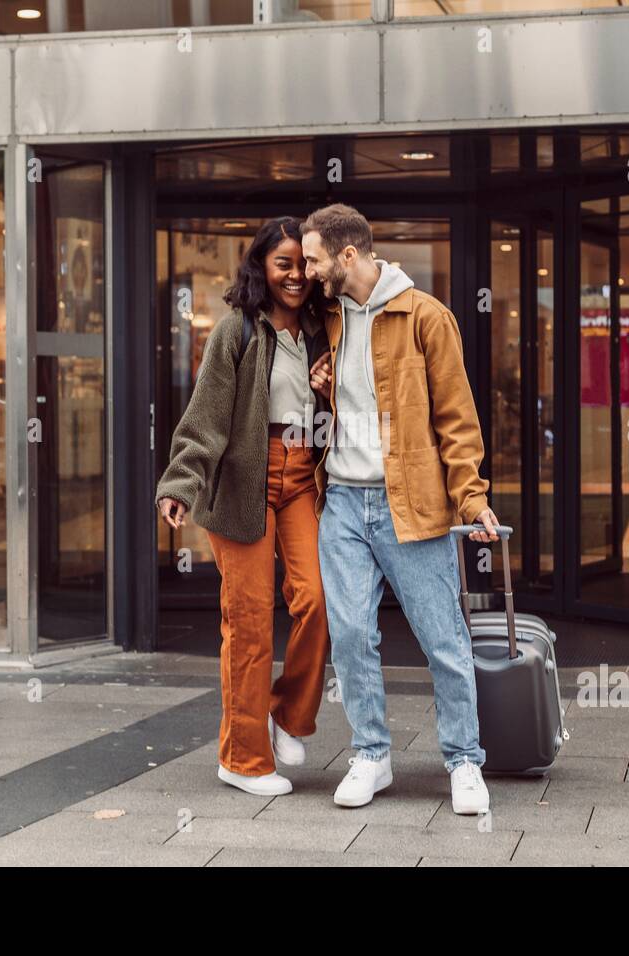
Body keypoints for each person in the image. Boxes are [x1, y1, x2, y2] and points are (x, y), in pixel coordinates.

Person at [301, 203, 500, 815]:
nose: (307, 271)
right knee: (353, 634)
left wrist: (472, 496)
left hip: (408, 502)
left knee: (443, 637)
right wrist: (324, 384)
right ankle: (371, 754)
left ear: (348, 256)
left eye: (313, 259)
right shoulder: (332, 318)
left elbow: (457, 419)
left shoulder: (426, 317)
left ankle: (464, 761)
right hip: (341, 502)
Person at [155, 217, 333, 796]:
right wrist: (180, 484)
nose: (296, 275)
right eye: (283, 263)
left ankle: (289, 716)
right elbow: (205, 417)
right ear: (259, 266)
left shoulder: (318, 328)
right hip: (241, 487)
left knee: (319, 600)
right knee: (250, 625)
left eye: (303, 264)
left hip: (302, 479)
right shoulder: (237, 331)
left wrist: (328, 387)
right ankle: (243, 758)